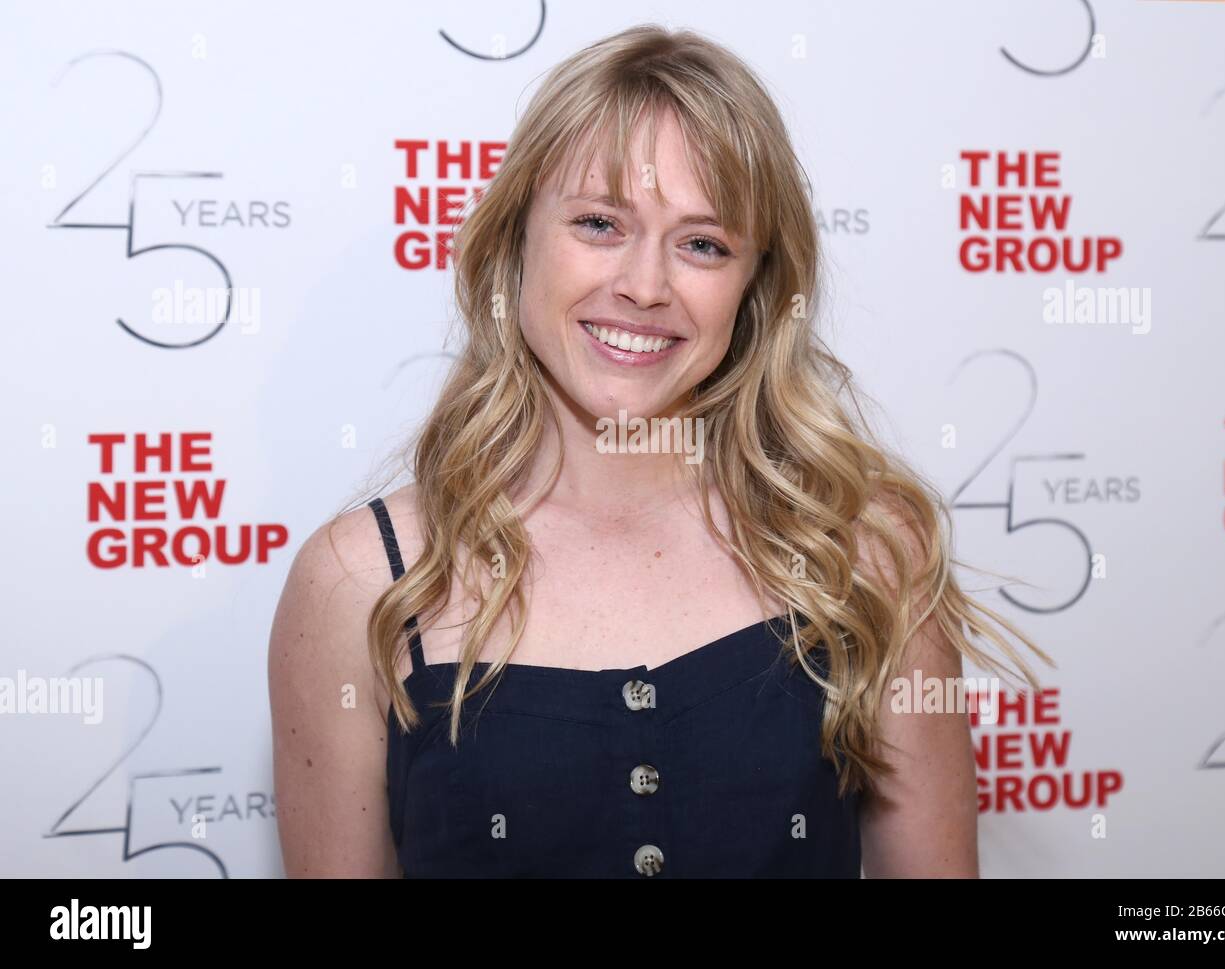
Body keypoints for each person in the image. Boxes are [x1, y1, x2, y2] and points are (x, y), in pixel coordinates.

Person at [268, 23, 1050, 878]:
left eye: (702, 243)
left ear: (754, 286)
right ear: (515, 240)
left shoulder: (866, 554)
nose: (644, 286)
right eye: (600, 223)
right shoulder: (361, 583)